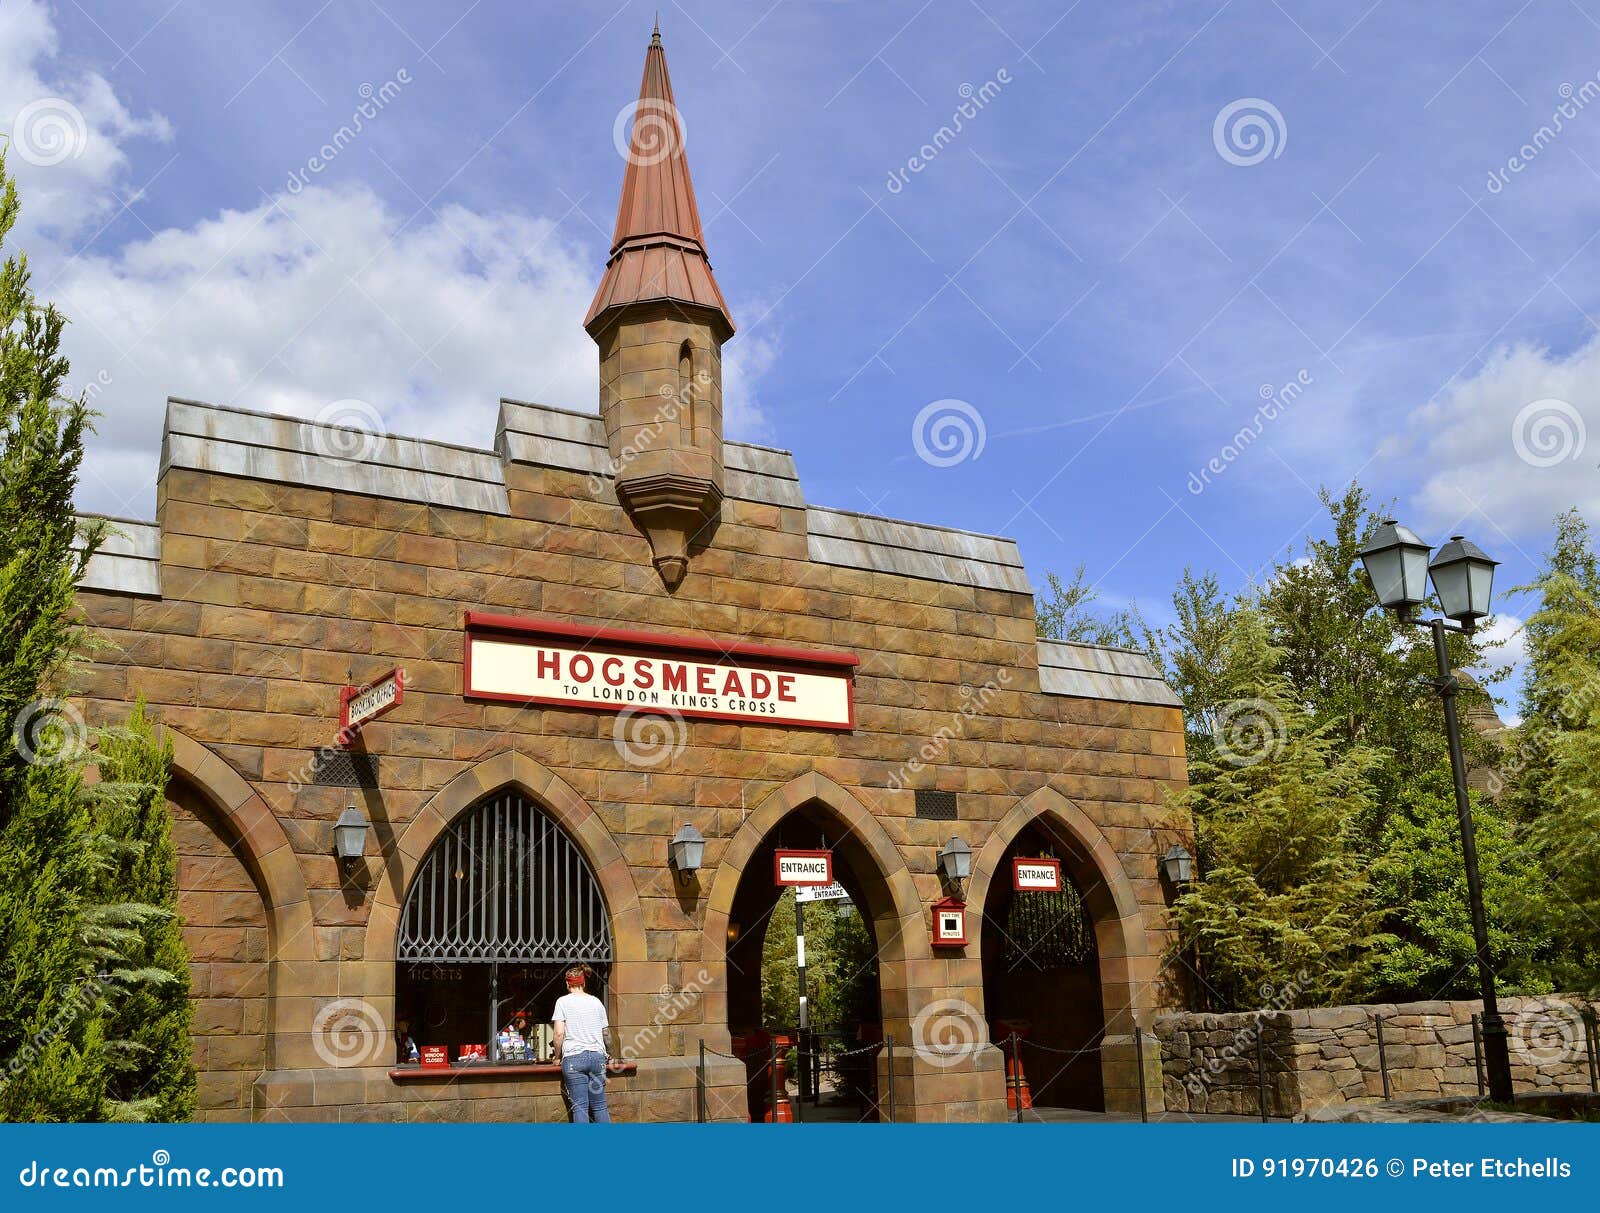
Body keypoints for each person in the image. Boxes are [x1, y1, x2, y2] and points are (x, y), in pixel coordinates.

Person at [552, 965, 611, 1122]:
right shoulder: (596, 1002)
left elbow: (558, 1034)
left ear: (567, 983)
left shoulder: (562, 1002)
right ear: (583, 983)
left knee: (580, 1108)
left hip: (573, 1058)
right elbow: (606, 1034)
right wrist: (609, 1053)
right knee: (600, 1106)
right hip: (597, 1057)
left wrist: (557, 1057)